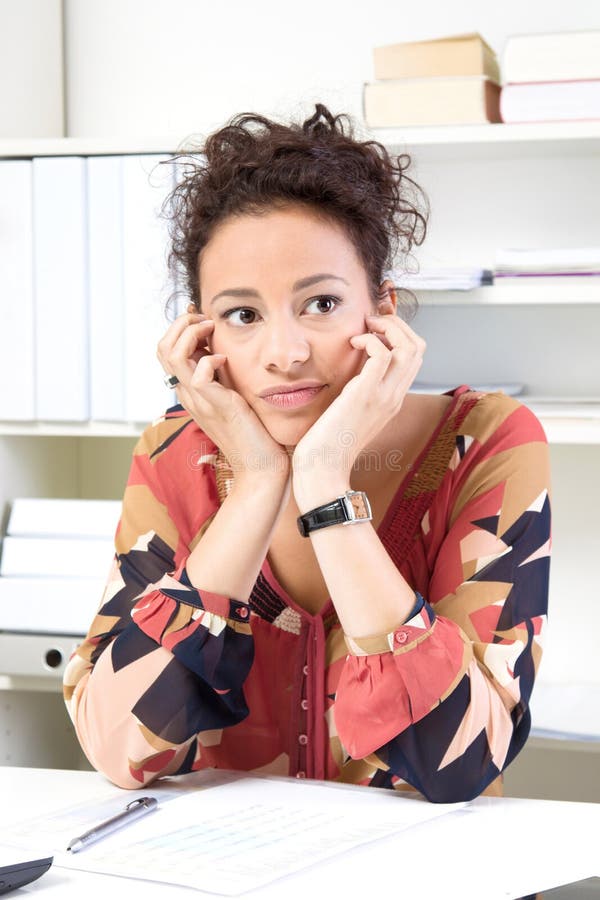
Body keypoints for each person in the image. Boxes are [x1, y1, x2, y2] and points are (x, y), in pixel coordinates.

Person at [63, 104, 551, 802]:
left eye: (320, 304)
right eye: (242, 315)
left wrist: (324, 481)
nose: (285, 355)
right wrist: (258, 483)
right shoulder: (173, 454)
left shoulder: (487, 445)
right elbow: (118, 750)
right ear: (202, 336)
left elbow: (460, 762)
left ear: (379, 312)